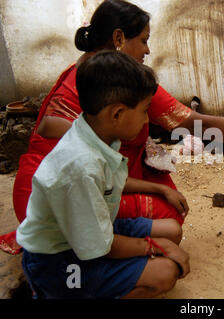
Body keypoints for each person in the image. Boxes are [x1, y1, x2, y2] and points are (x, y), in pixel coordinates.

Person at [0, 0, 224, 255]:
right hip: (60, 198)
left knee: (160, 188)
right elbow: (192, 123)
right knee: (169, 216)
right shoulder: (124, 84)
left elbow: (59, 132)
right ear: (118, 38)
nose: (148, 50)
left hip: (35, 191)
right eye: (144, 40)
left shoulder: (84, 71)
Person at [17, 50, 190, 299]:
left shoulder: (97, 133)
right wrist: (154, 246)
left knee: (172, 230)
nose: (145, 122)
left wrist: (162, 189)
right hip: (60, 259)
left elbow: (108, 182)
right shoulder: (81, 167)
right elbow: (99, 247)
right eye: (144, 111)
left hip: (91, 230)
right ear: (117, 114)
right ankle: (56, 291)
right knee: (164, 271)